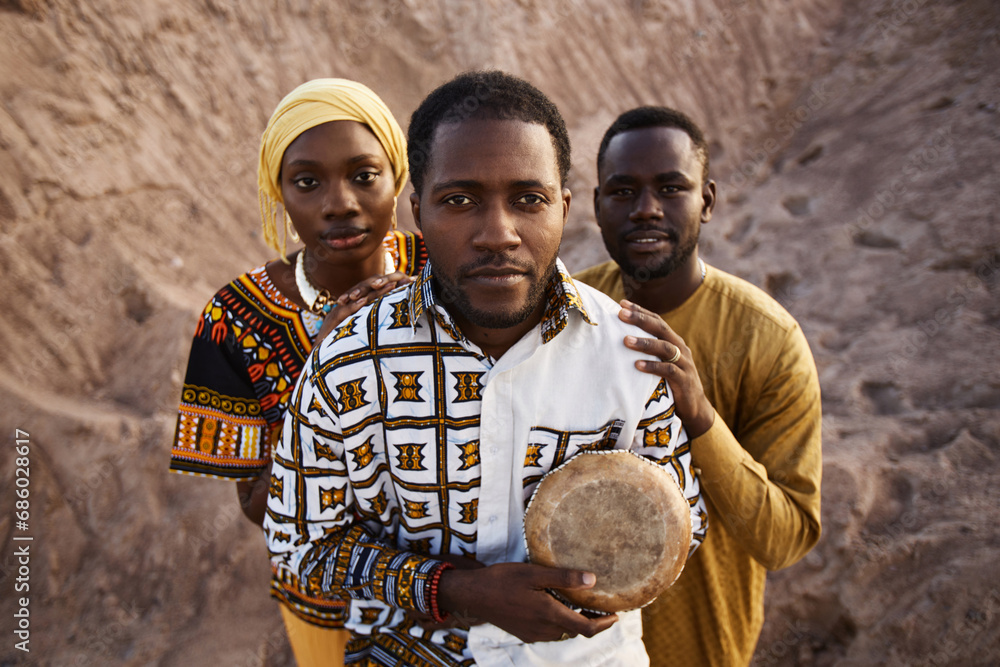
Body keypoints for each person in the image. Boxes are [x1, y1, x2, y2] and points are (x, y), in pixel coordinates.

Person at [265, 71, 708, 666]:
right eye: (460, 200)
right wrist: (458, 590)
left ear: (564, 207)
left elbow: (685, 523)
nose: (498, 234)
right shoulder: (348, 361)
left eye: (529, 199)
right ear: (417, 209)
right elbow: (300, 546)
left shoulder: (629, 356)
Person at [169, 78, 427, 666]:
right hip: (324, 600)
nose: (339, 202)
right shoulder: (235, 317)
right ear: (278, 193)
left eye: (364, 175)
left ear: (398, 179)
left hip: (457, 587)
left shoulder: (443, 270)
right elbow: (258, 505)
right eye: (307, 182)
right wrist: (326, 360)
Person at [574, 106, 822, 666]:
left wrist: (699, 417)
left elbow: (785, 539)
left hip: (701, 646)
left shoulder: (768, 340)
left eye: (670, 187)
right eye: (623, 191)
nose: (646, 210)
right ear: (595, 206)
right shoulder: (569, 313)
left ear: (707, 201)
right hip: (580, 646)